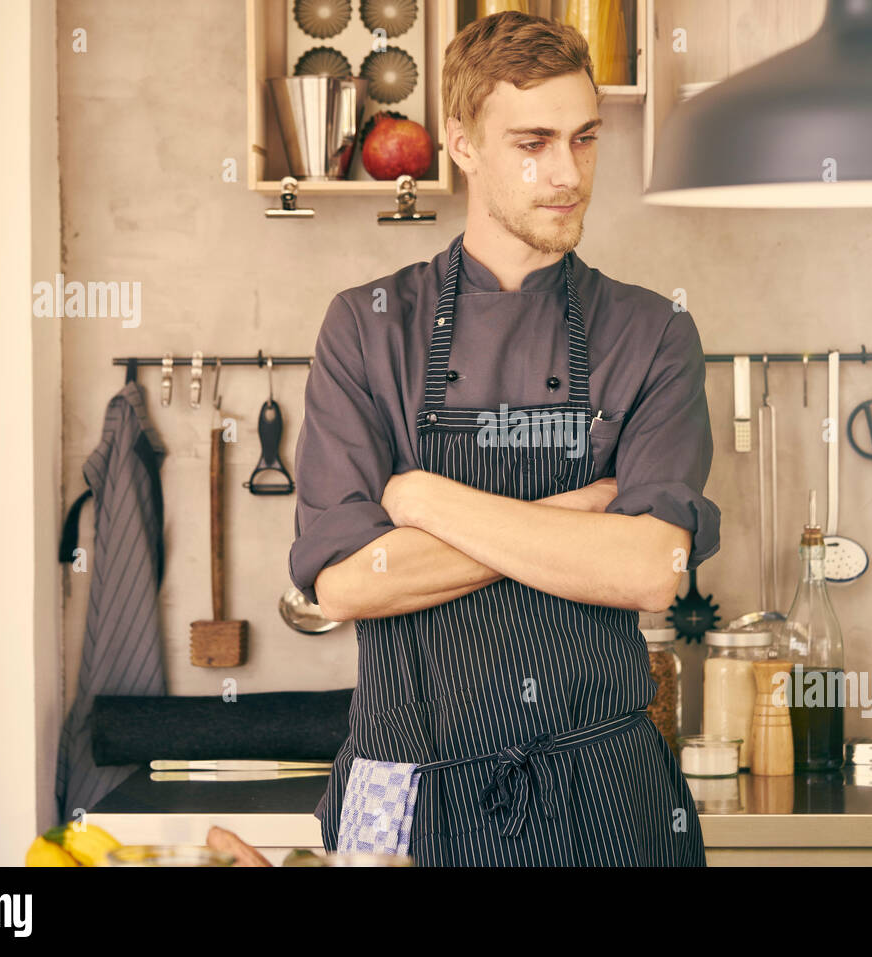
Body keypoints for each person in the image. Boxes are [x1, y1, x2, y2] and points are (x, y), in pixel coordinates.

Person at [289, 10, 720, 866]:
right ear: (462, 143)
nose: (569, 174)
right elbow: (342, 586)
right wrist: (573, 516)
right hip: (397, 791)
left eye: (585, 138)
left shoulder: (652, 332)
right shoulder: (368, 328)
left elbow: (649, 571)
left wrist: (421, 499)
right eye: (533, 142)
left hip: (598, 787)